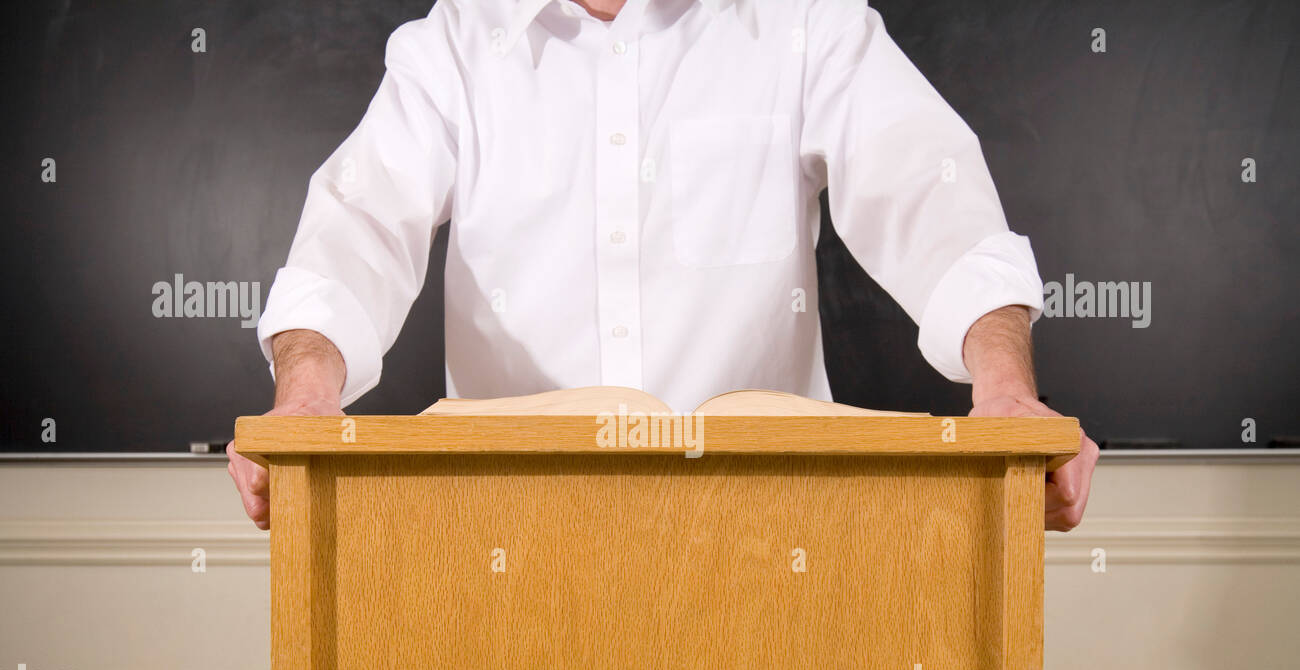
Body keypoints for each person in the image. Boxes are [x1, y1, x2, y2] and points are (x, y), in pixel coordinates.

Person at [228, 0, 1099, 531]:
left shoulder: (802, 21)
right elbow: (355, 226)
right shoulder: (452, 47)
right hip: (505, 543)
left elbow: (930, 189)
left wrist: (1005, 389)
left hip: (771, 540)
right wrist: (305, 400)